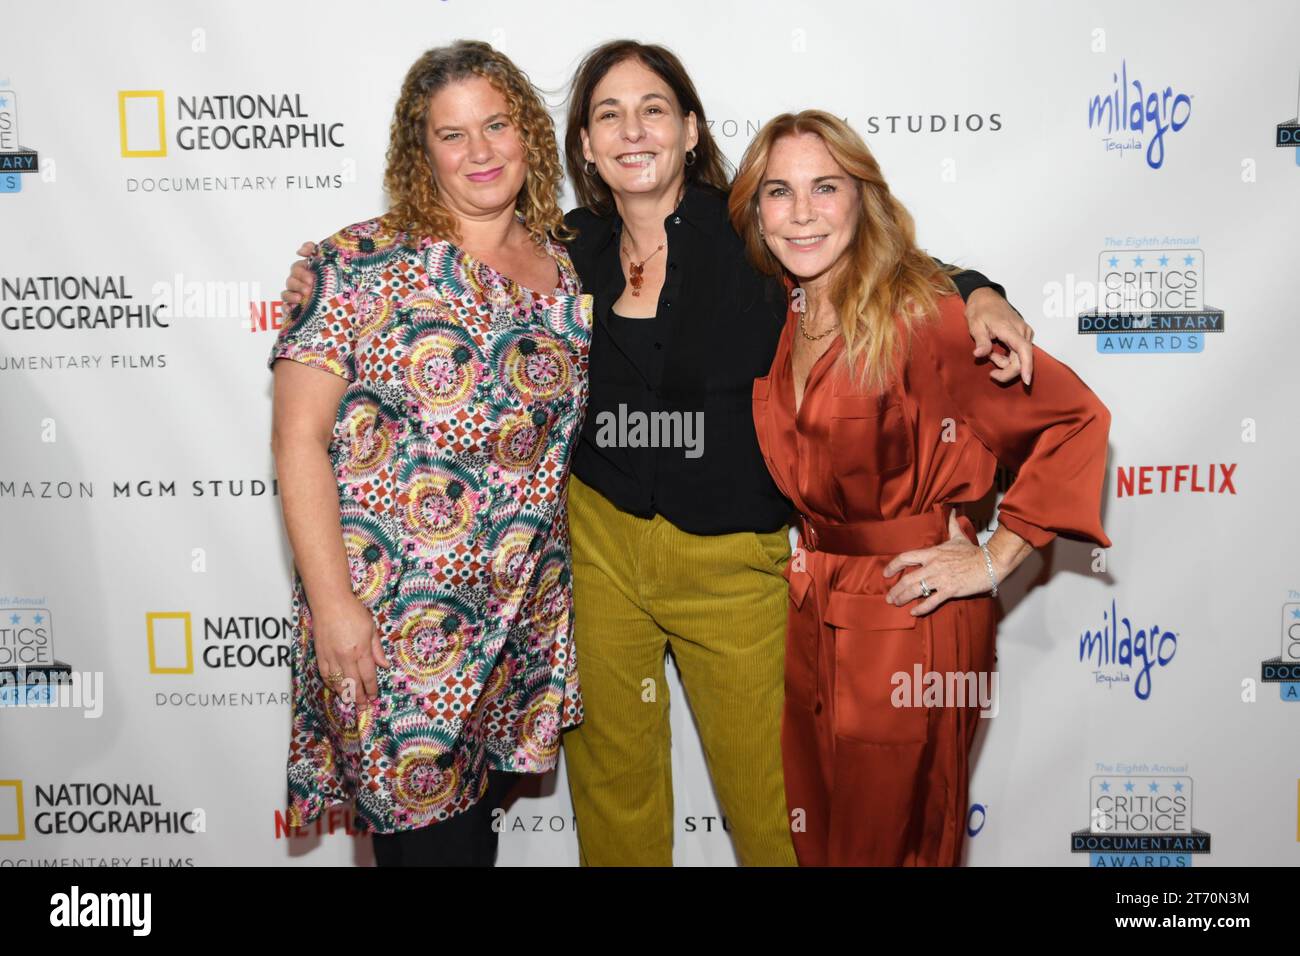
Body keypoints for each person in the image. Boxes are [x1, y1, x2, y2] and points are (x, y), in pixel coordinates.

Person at [281, 39, 1036, 868]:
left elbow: (876, 262)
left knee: (773, 807)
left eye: (652, 110)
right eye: (608, 114)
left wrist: (975, 292)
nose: (631, 130)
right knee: (615, 802)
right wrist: (324, 293)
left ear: (689, 129)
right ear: (583, 145)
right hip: (594, 558)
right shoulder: (566, 248)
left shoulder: (757, 231)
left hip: (734, 567)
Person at [729, 110, 1112, 866]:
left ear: (861, 198)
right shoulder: (783, 305)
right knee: (825, 834)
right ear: (755, 209)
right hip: (817, 606)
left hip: (911, 615)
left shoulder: (927, 318)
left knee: (897, 842)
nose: (801, 213)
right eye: (779, 191)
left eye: (824, 187)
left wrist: (998, 556)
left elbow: (1075, 419)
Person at [267, 40, 592, 867]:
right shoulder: (354, 264)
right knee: (431, 853)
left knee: (467, 846)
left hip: (518, 624)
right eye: (453, 135)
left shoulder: (564, 262)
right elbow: (298, 438)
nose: (480, 152)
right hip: (395, 631)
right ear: (422, 153)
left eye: (497, 125)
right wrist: (335, 608)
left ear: (529, 134)